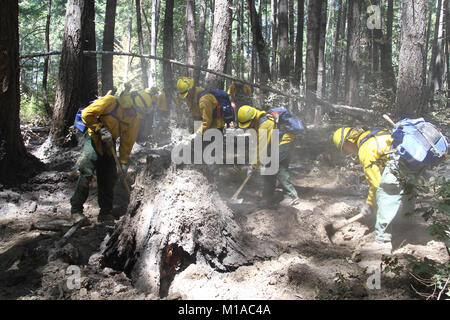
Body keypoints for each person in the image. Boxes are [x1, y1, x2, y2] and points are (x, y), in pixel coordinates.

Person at [332, 126, 424, 255]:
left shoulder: (365, 149)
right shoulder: (374, 134)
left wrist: (369, 203)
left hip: (401, 162)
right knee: (407, 190)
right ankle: (406, 225)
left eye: (345, 149)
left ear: (349, 141)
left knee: (386, 190)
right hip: (415, 159)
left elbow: (376, 185)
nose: (347, 152)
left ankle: (382, 242)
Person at [70, 88, 153, 223]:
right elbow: (86, 114)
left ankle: (105, 213)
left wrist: (124, 162)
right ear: (131, 104)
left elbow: (127, 142)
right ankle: (76, 210)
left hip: (110, 142)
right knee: (86, 171)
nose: (136, 114)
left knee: (109, 176)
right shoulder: (110, 102)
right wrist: (100, 128)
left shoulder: (134, 119)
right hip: (93, 137)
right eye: (135, 111)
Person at [237, 105, 299, 208]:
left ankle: (291, 195)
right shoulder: (257, 123)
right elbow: (258, 145)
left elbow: (261, 148)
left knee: (277, 167)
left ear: (253, 119)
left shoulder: (265, 124)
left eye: (248, 124)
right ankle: (268, 197)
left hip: (285, 141)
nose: (248, 127)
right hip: (275, 142)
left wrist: (253, 165)